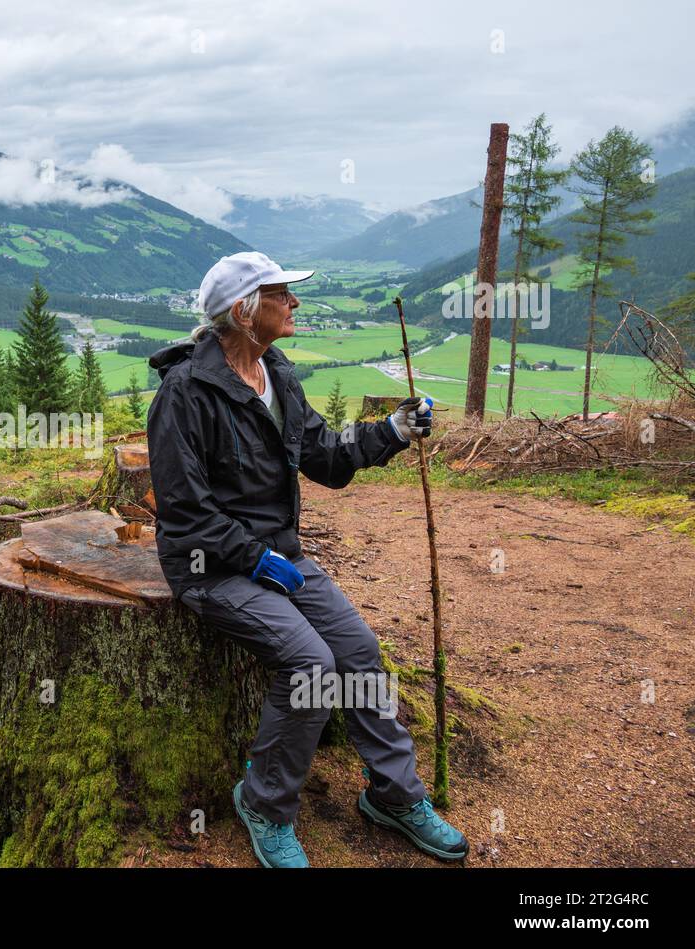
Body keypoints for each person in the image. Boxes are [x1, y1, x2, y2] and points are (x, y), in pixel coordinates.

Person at [145, 251, 468, 868]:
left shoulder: (277, 376)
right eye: (280, 294)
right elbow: (185, 514)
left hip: (280, 557)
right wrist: (254, 557)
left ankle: (394, 795)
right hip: (208, 568)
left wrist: (393, 431)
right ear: (244, 311)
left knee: (358, 651)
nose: (293, 303)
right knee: (308, 662)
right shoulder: (184, 395)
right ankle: (264, 803)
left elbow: (323, 454)